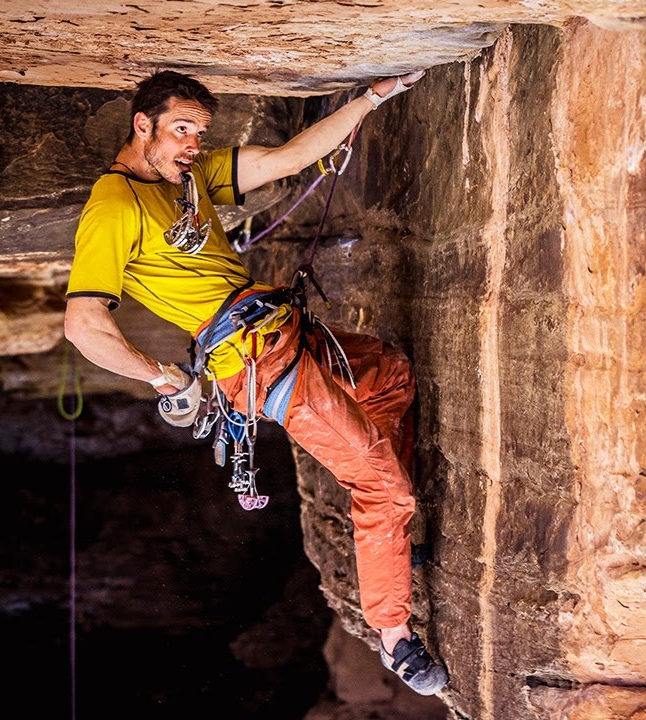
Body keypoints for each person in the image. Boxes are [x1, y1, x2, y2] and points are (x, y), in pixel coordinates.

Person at [62, 69, 448, 695]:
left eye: (199, 131)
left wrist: (374, 97)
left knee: (388, 376)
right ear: (143, 125)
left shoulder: (188, 179)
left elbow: (294, 156)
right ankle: (394, 634)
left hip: (282, 330)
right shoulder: (114, 206)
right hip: (255, 361)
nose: (192, 143)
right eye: (181, 129)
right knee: (379, 480)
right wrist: (162, 377)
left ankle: (387, 533)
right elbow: (83, 322)